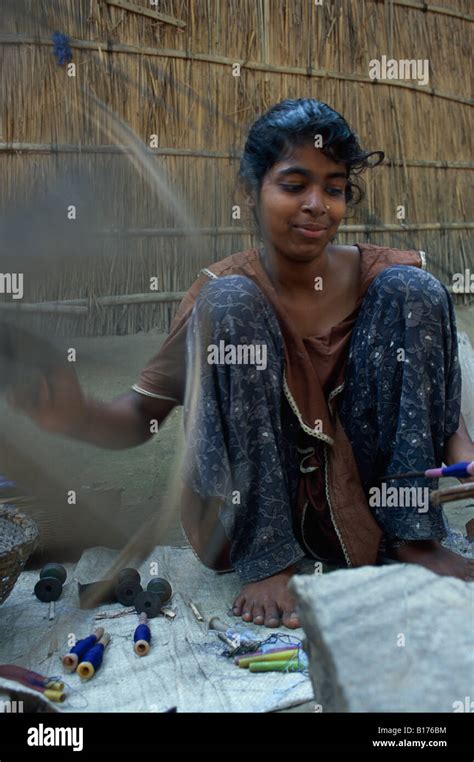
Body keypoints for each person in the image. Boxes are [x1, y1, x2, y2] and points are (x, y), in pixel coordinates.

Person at [7, 99, 474, 630]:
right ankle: (269, 558)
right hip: (248, 515)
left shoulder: (386, 278)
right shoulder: (224, 294)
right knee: (230, 300)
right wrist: (75, 414)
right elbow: (141, 416)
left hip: (369, 506)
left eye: (335, 188)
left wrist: (464, 452)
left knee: (414, 288)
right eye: (294, 185)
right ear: (249, 192)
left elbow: (431, 395)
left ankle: (413, 538)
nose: (317, 204)